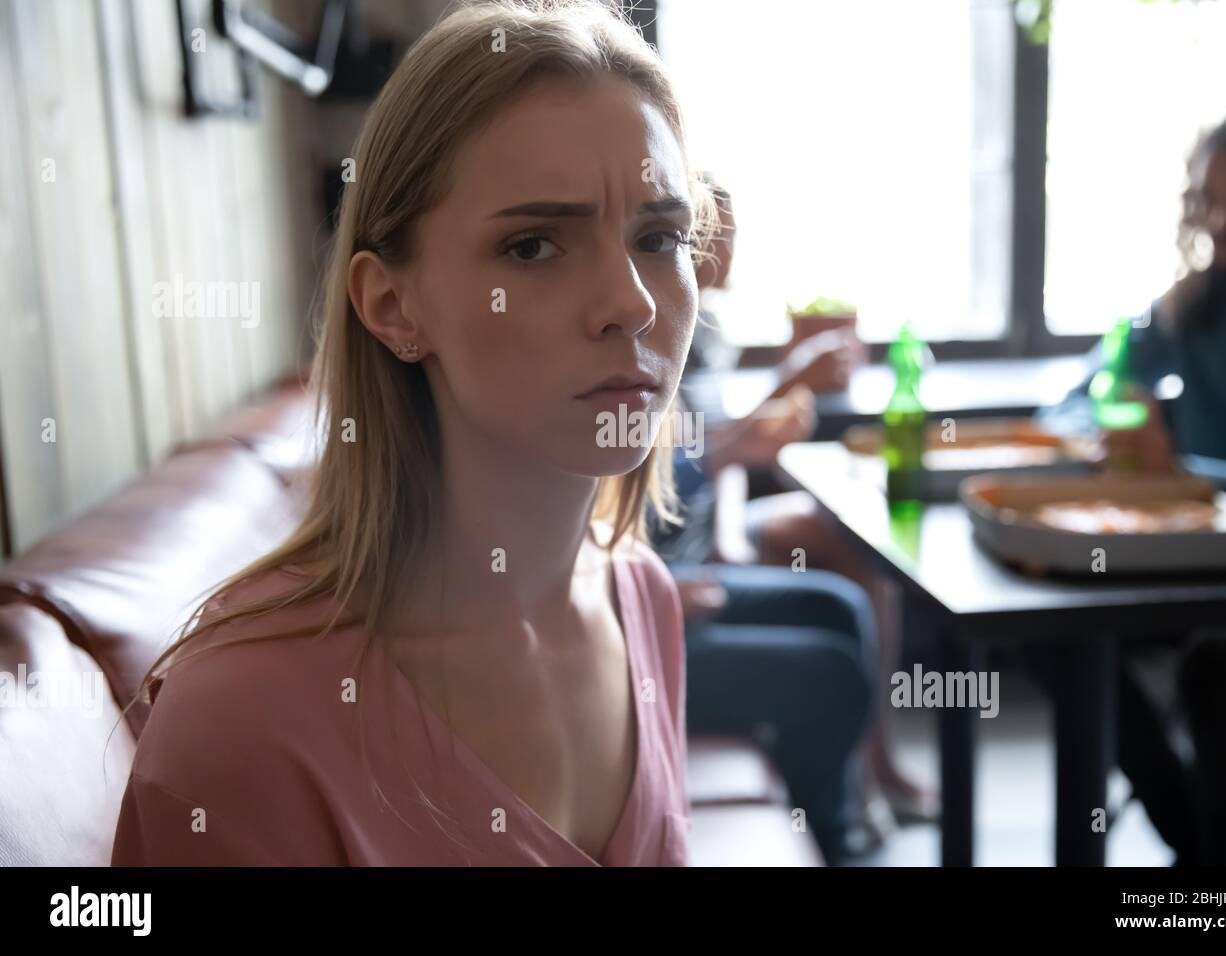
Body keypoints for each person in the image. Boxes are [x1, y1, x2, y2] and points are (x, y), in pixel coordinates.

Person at [111, 0, 719, 866]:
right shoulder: (238, 720)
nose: (634, 302)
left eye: (661, 236)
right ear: (394, 306)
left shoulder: (643, 599)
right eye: (535, 247)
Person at [1050, 106, 1226, 865]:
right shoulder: (1183, 310)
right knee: (1060, 642)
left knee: (1224, 670)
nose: (1222, 219)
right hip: (1186, 569)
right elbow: (1072, 399)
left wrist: (1189, 477)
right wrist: (1109, 425)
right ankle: (1204, 854)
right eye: (1208, 197)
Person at [660, 183, 939, 851]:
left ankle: (865, 787)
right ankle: (833, 834)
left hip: (690, 548)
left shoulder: (702, 332)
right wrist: (787, 386)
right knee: (831, 668)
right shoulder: (652, 336)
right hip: (665, 571)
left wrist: (727, 525)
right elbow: (681, 466)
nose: (725, 250)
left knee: (845, 597)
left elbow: (701, 457)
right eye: (708, 233)